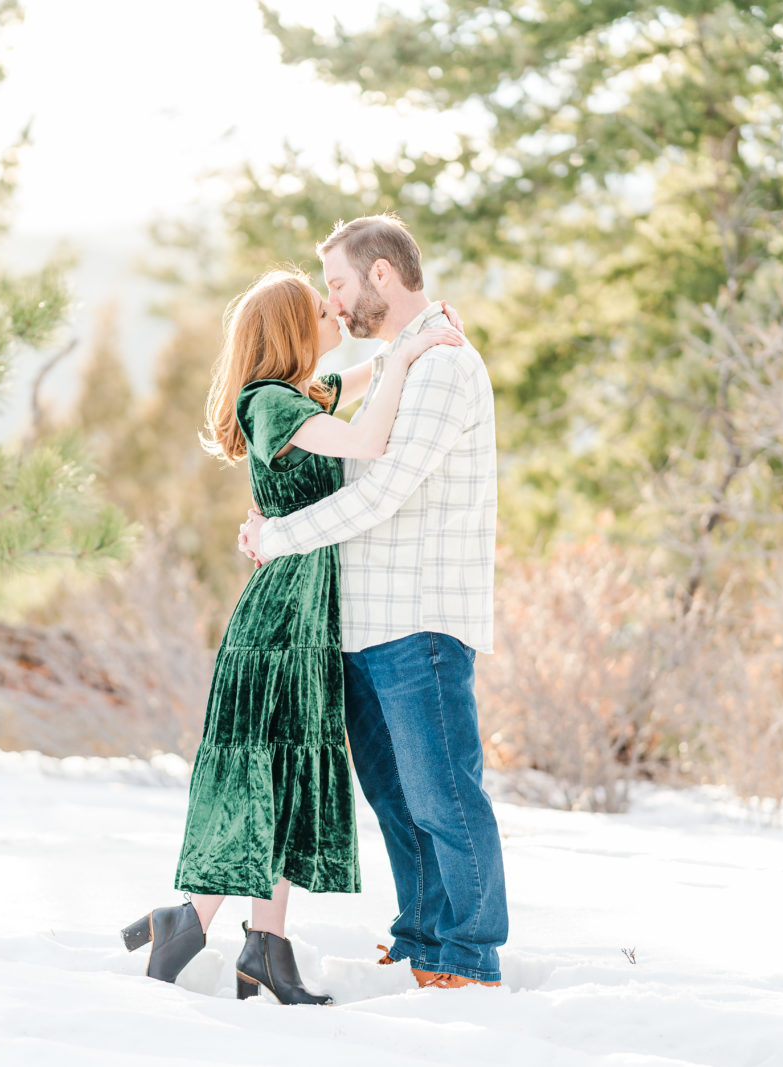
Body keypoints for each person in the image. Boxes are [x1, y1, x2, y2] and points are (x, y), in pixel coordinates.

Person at [120, 267, 463, 1005]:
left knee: (282, 778)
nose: (332, 311)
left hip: (307, 619)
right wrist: (408, 357)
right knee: (261, 776)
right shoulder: (272, 403)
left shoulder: (300, 396)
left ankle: (261, 946)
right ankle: (195, 921)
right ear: (291, 329)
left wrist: (416, 332)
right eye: (319, 308)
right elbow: (370, 439)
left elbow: (363, 377)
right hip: (279, 624)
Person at [239, 215, 508, 990]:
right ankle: (424, 938)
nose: (334, 302)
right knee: (397, 800)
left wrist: (281, 536)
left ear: (381, 275)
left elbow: (386, 490)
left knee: (444, 794)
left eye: (339, 285)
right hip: (367, 624)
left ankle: (469, 953)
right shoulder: (404, 360)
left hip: (420, 619)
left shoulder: (445, 367)